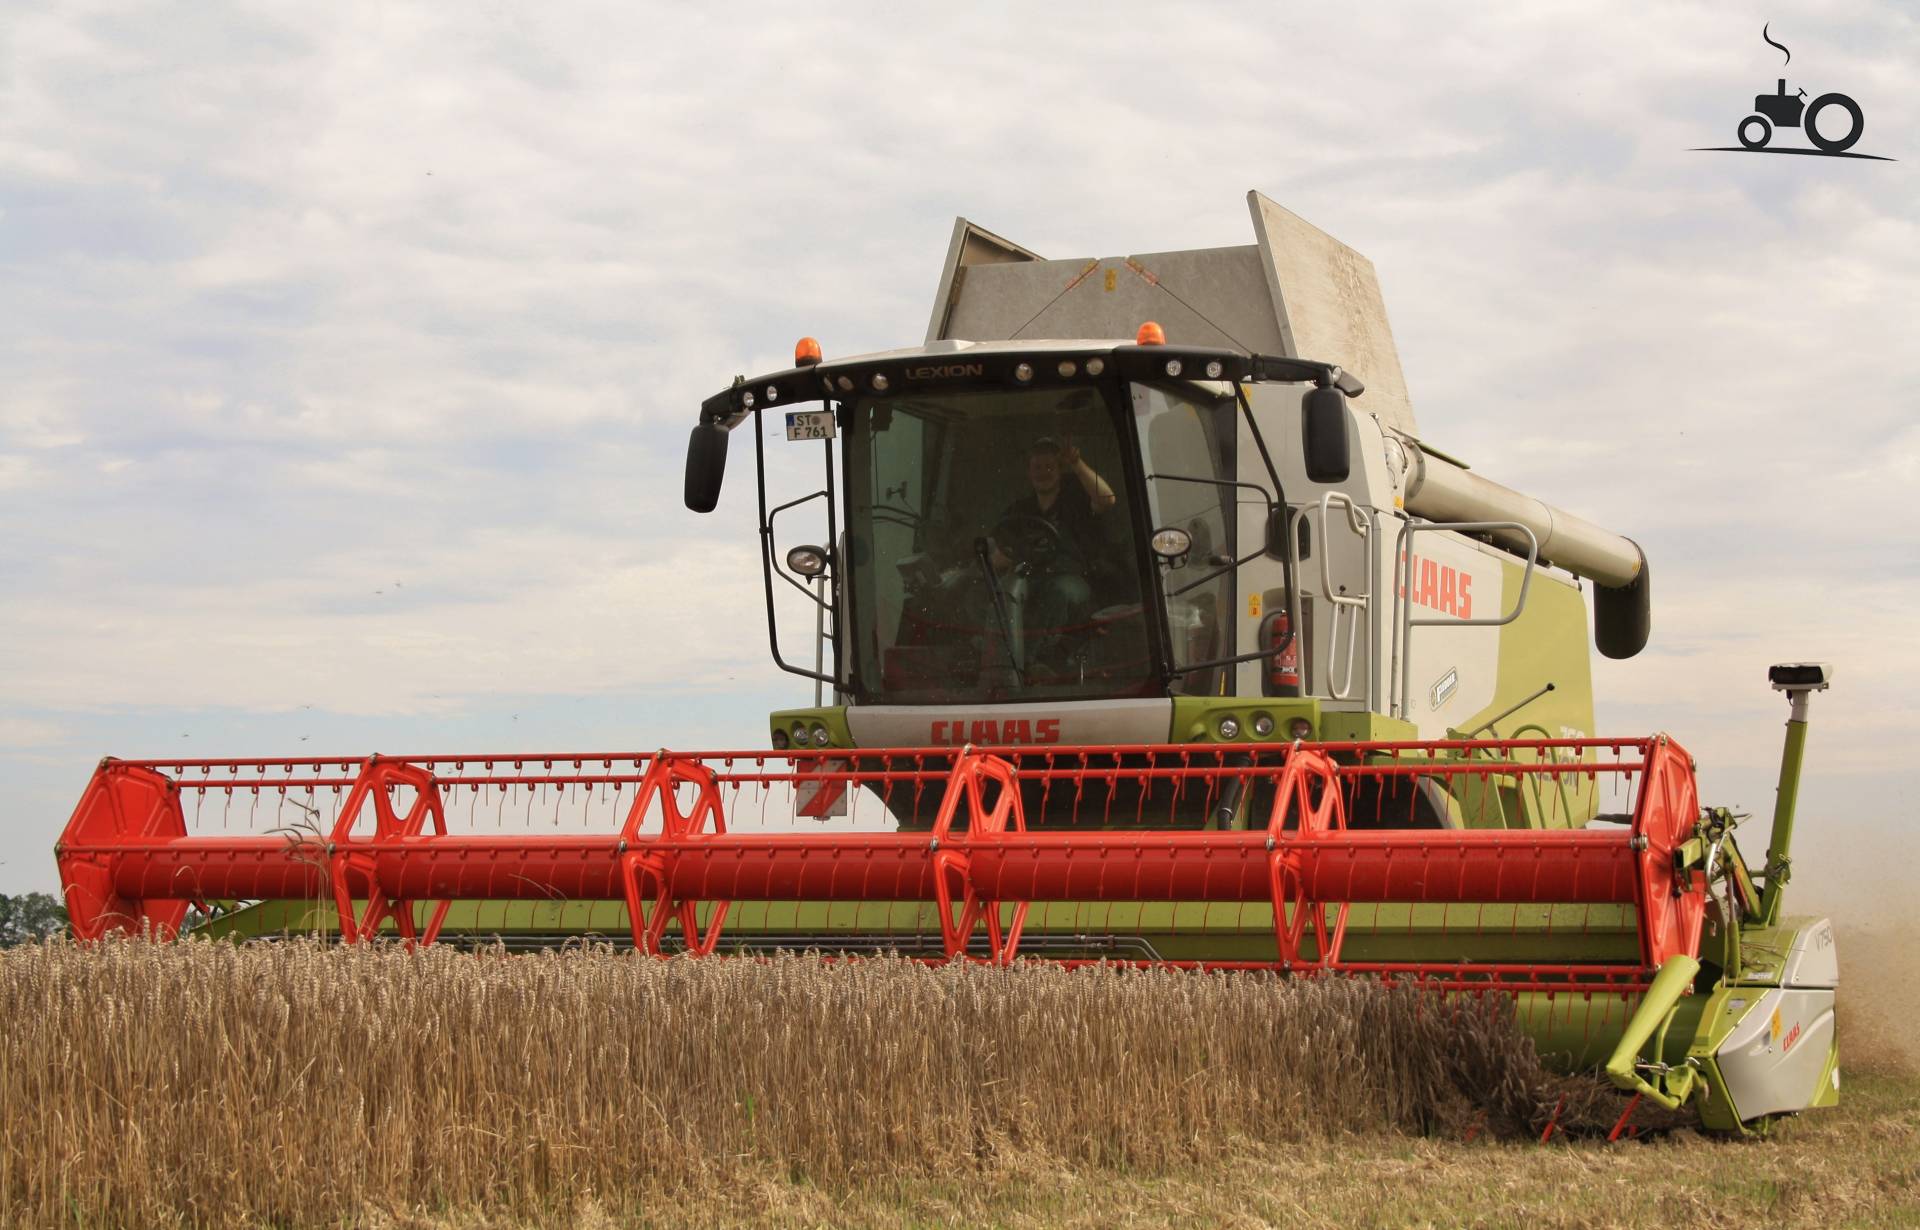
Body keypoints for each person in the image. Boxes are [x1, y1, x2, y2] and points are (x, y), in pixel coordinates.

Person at [989, 437, 1116, 669]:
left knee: (1057, 592)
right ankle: (990, 662)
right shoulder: (1019, 510)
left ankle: (1023, 667)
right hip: (1030, 578)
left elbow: (1107, 499)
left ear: (1060, 471)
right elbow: (999, 553)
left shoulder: (1077, 501)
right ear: (1029, 472)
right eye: (1037, 467)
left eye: (1050, 466)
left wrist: (1076, 463)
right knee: (1002, 595)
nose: (1043, 472)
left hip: (1075, 582)